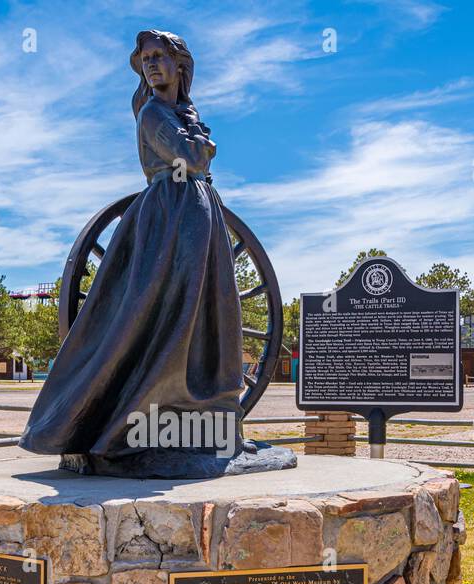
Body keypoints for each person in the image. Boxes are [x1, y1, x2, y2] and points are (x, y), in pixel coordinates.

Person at [20, 30, 290, 479]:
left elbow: (197, 160)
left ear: (179, 64)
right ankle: (141, 409)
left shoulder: (182, 110)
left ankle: (202, 409)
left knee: (208, 309)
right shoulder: (152, 113)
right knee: (166, 309)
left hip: (198, 210)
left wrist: (198, 140)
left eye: (160, 56)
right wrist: (204, 144)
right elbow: (192, 157)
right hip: (171, 212)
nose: (151, 64)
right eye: (145, 58)